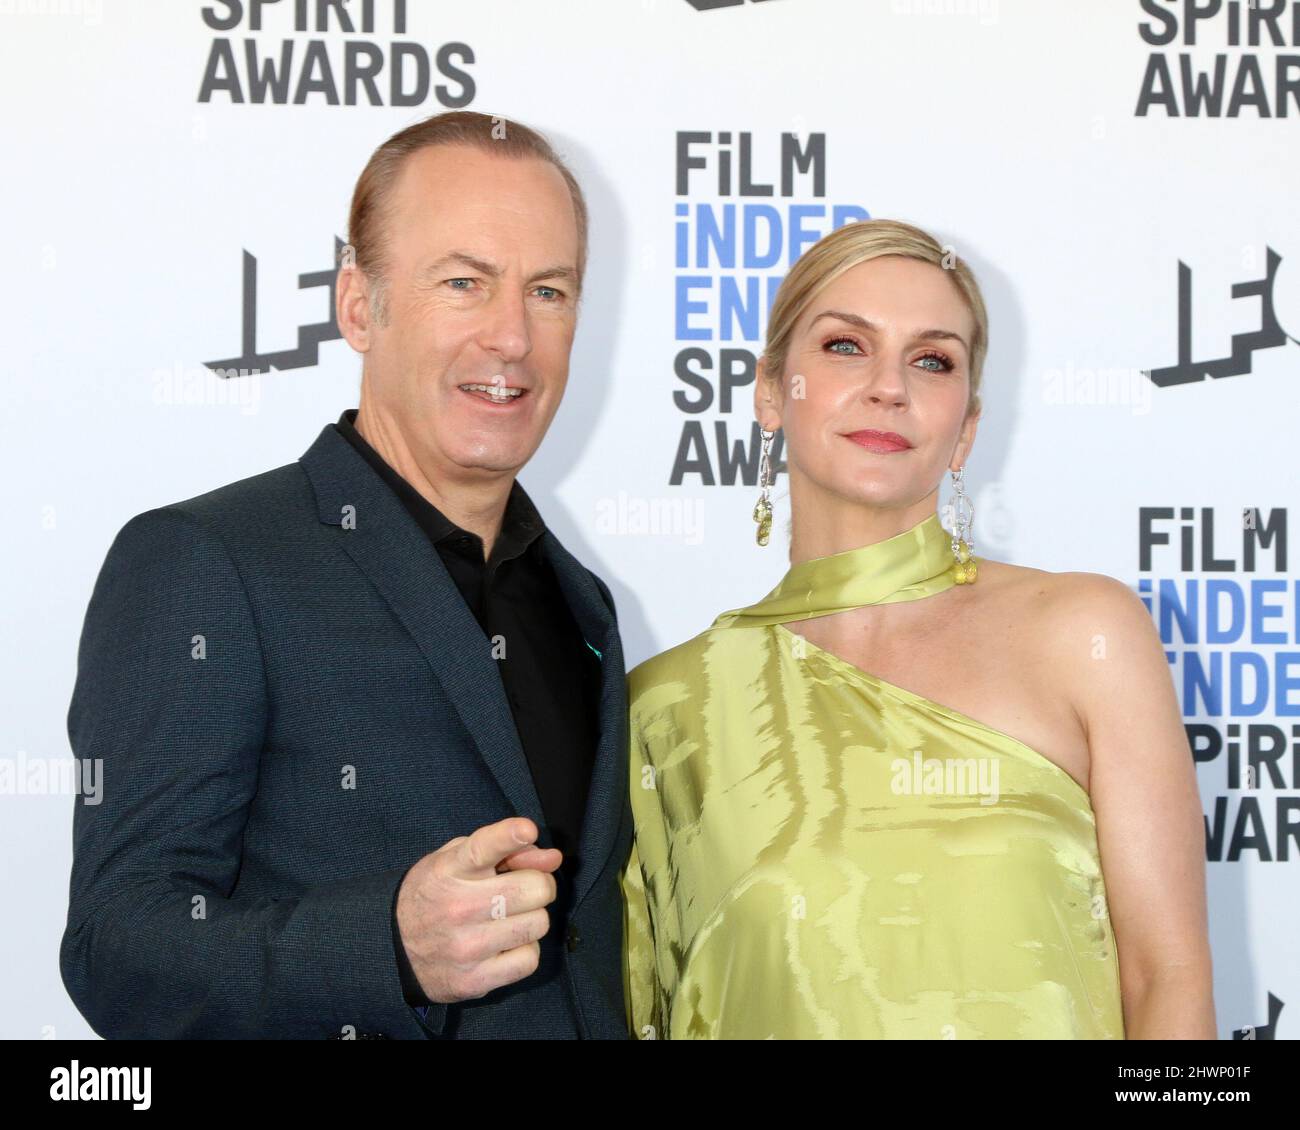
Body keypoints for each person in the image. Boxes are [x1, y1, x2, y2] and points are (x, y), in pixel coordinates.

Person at [60, 111, 632, 1039]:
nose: (512, 338)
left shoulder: (581, 602)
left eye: (549, 291)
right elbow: (117, 946)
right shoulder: (209, 563)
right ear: (360, 306)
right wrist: (387, 949)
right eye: (463, 283)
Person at [619, 218, 1215, 1039]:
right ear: (769, 391)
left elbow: (1169, 981)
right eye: (844, 346)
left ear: (965, 428)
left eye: (931, 360)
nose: (888, 387)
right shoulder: (667, 705)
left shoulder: (1085, 634)